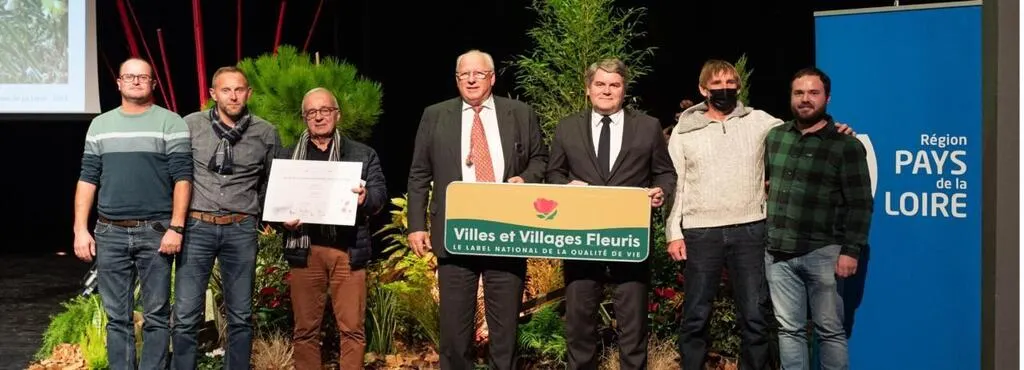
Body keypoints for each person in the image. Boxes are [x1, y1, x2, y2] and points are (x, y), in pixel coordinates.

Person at [665, 60, 855, 370]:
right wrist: (673, 231)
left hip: (750, 230)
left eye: (730, 83)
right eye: (716, 85)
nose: (724, 89)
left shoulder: (759, 121)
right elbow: (677, 185)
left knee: (754, 316)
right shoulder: (685, 132)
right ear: (703, 90)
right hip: (701, 233)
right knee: (696, 316)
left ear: (738, 88)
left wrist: (838, 130)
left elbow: (801, 129)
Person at [406, 49, 548, 370]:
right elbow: (419, 173)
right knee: (455, 337)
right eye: (463, 75)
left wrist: (524, 178)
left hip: (506, 231)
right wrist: (416, 225)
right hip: (456, 234)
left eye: (478, 74)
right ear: (457, 80)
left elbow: (541, 158)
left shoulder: (520, 113)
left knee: (505, 334)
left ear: (492, 78)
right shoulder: (435, 115)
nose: (471, 79)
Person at [545, 57, 676, 370]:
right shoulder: (567, 127)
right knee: (579, 326)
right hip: (580, 241)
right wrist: (565, 186)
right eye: (600, 84)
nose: (607, 90)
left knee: (632, 328)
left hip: (629, 241)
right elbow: (552, 175)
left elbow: (665, 173)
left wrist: (661, 192)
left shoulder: (647, 127)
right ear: (588, 89)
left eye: (614, 85)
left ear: (624, 89)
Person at [72, 57, 192, 369]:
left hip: (155, 230)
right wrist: (79, 229)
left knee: (156, 316)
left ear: (153, 83)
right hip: (109, 231)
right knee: (117, 318)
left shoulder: (171, 122)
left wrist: (176, 228)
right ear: (119, 83)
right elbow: (88, 178)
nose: (136, 81)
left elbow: (183, 179)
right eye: (130, 76)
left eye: (143, 77)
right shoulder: (100, 125)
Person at [171, 66, 282, 370]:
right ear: (213, 94)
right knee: (185, 314)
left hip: (240, 229)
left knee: (241, 315)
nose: (233, 96)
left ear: (249, 93)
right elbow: (177, 175)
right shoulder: (190, 125)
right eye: (226, 90)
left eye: (239, 90)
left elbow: (272, 181)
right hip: (197, 226)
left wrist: (254, 212)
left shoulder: (265, 132)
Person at [763, 67, 872, 370]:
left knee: (830, 331)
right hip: (778, 254)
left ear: (827, 97)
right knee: (789, 330)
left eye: (813, 93)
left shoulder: (845, 145)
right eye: (799, 93)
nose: (805, 99)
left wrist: (851, 251)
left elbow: (861, 203)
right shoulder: (775, 138)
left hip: (823, 253)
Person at [280, 87, 387, 370]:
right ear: (304, 118)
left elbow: (379, 197)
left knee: (352, 328)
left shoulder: (362, 154)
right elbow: (272, 195)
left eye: (325, 110)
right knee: (305, 330)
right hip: (305, 249)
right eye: (312, 112)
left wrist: (365, 200)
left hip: (348, 249)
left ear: (337, 114)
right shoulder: (288, 156)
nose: (319, 117)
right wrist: (282, 216)